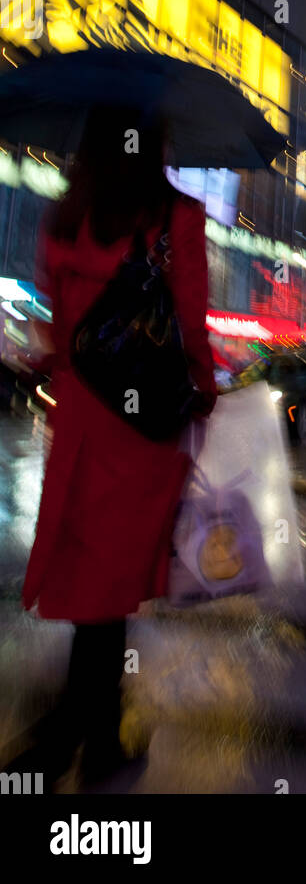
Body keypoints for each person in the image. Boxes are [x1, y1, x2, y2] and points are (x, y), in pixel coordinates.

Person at [12, 104, 217, 789]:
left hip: (80, 420)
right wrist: (206, 393)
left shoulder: (68, 216)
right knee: (111, 586)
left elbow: (58, 323)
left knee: (92, 585)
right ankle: (86, 736)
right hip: (142, 429)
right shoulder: (175, 218)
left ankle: (83, 729)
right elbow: (190, 323)